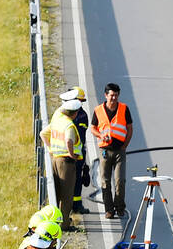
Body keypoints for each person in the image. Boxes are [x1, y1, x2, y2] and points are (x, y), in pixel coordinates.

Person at [93, 82, 133, 219]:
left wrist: (125, 145)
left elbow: (130, 128)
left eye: (116, 95)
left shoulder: (124, 109)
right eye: (111, 95)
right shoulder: (98, 110)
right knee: (105, 181)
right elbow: (93, 128)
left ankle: (120, 207)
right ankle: (109, 210)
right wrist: (100, 135)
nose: (114, 98)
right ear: (106, 95)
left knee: (120, 180)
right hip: (105, 150)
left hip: (119, 151)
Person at [43, 98, 84, 230]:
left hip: (55, 159)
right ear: (75, 113)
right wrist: (72, 154)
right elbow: (69, 141)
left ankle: (55, 221)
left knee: (56, 193)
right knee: (67, 196)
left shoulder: (57, 121)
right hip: (66, 162)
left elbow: (43, 133)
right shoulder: (69, 125)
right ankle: (65, 225)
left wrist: (51, 148)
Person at [60, 87, 90, 215]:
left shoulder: (81, 116)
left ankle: (76, 205)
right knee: (71, 180)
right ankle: (71, 206)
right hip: (72, 153)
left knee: (77, 179)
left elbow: (80, 137)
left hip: (75, 153)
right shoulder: (70, 114)